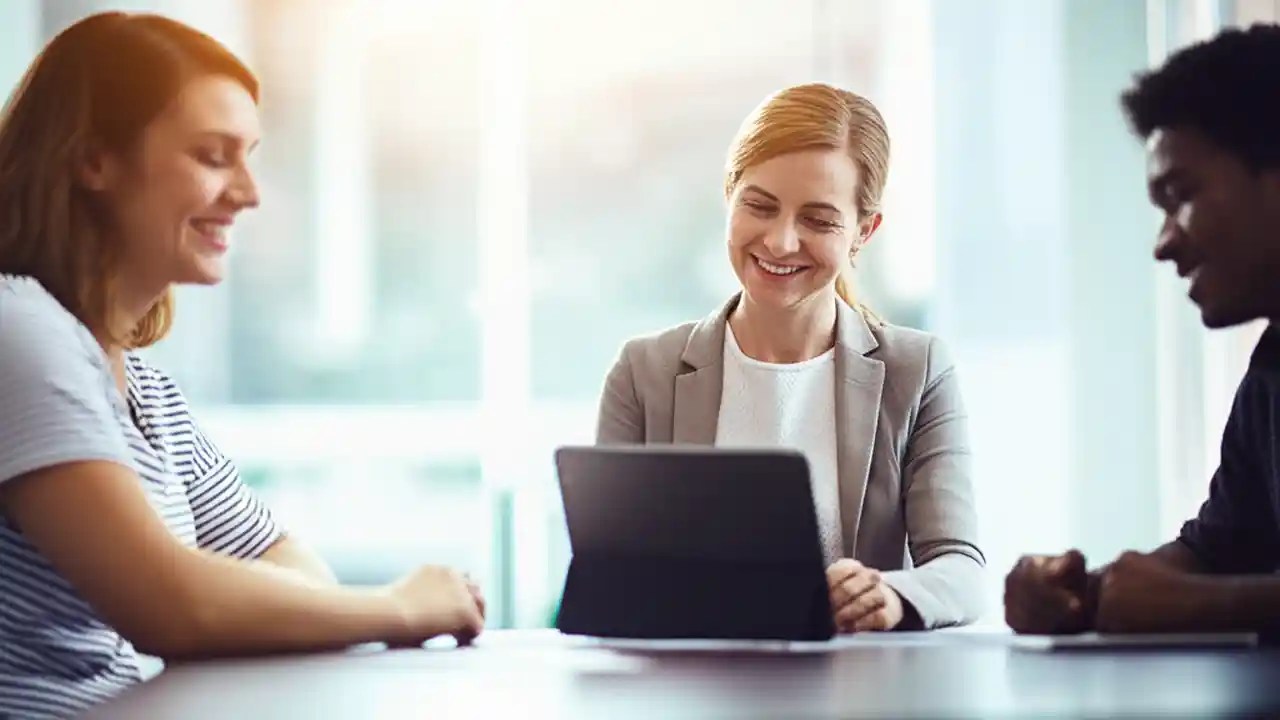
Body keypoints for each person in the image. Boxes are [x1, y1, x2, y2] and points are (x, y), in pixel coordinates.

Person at [0, 13, 483, 717]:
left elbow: (293, 570)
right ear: (94, 159)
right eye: (212, 155)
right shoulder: (17, 327)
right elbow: (173, 607)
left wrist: (275, 605)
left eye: (248, 155)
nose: (249, 192)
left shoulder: (148, 392)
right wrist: (401, 607)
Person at [596, 83, 985, 632]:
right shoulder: (644, 374)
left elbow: (961, 568)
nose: (780, 242)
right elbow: (610, 574)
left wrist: (889, 595)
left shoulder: (916, 371)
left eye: (819, 220)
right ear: (729, 197)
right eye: (759, 206)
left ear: (863, 232)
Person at [1005, 24, 1280, 635]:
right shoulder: (1271, 370)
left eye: (1180, 196)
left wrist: (1191, 606)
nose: (1163, 245)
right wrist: (1082, 592)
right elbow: (1215, 554)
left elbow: (1204, 590)